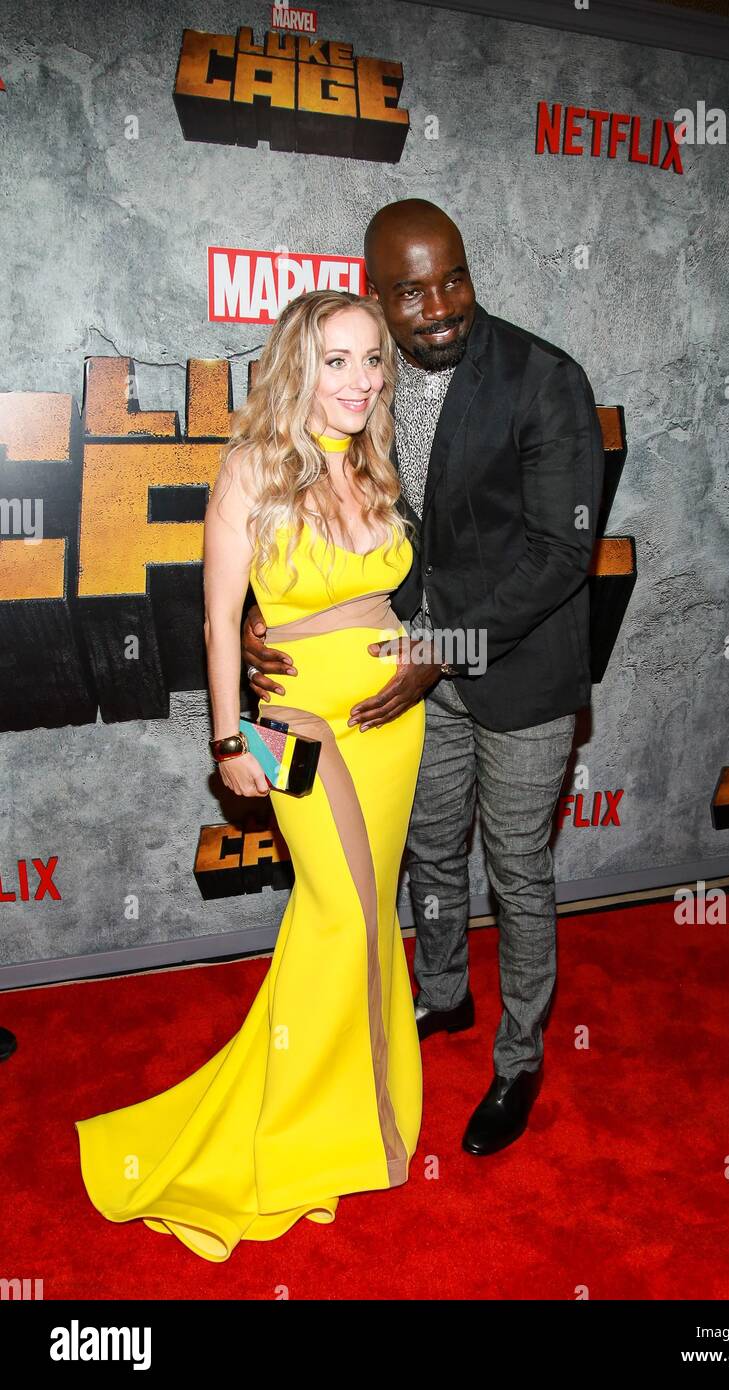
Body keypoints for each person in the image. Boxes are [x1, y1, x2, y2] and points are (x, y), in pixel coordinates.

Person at [74, 289, 430, 1262]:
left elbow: (390, 590)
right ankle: (302, 1127)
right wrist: (229, 741)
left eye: (371, 361)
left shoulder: (373, 461)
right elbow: (219, 617)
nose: (358, 380)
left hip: (394, 726)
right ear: (296, 366)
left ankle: (361, 1105)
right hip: (294, 727)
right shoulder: (249, 470)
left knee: (361, 914)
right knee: (341, 914)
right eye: (336, 360)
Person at [243, 199, 605, 1157]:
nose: (439, 305)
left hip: (516, 675)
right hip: (415, 678)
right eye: (412, 290)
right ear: (379, 295)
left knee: (517, 872)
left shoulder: (545, 380)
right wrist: (268, 610)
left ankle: (520, 1057)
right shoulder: (369, 383)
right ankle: (442, 993)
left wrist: (438, 650)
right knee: (431, 855)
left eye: (454, 279)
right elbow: (325, 518)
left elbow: (560, 555)